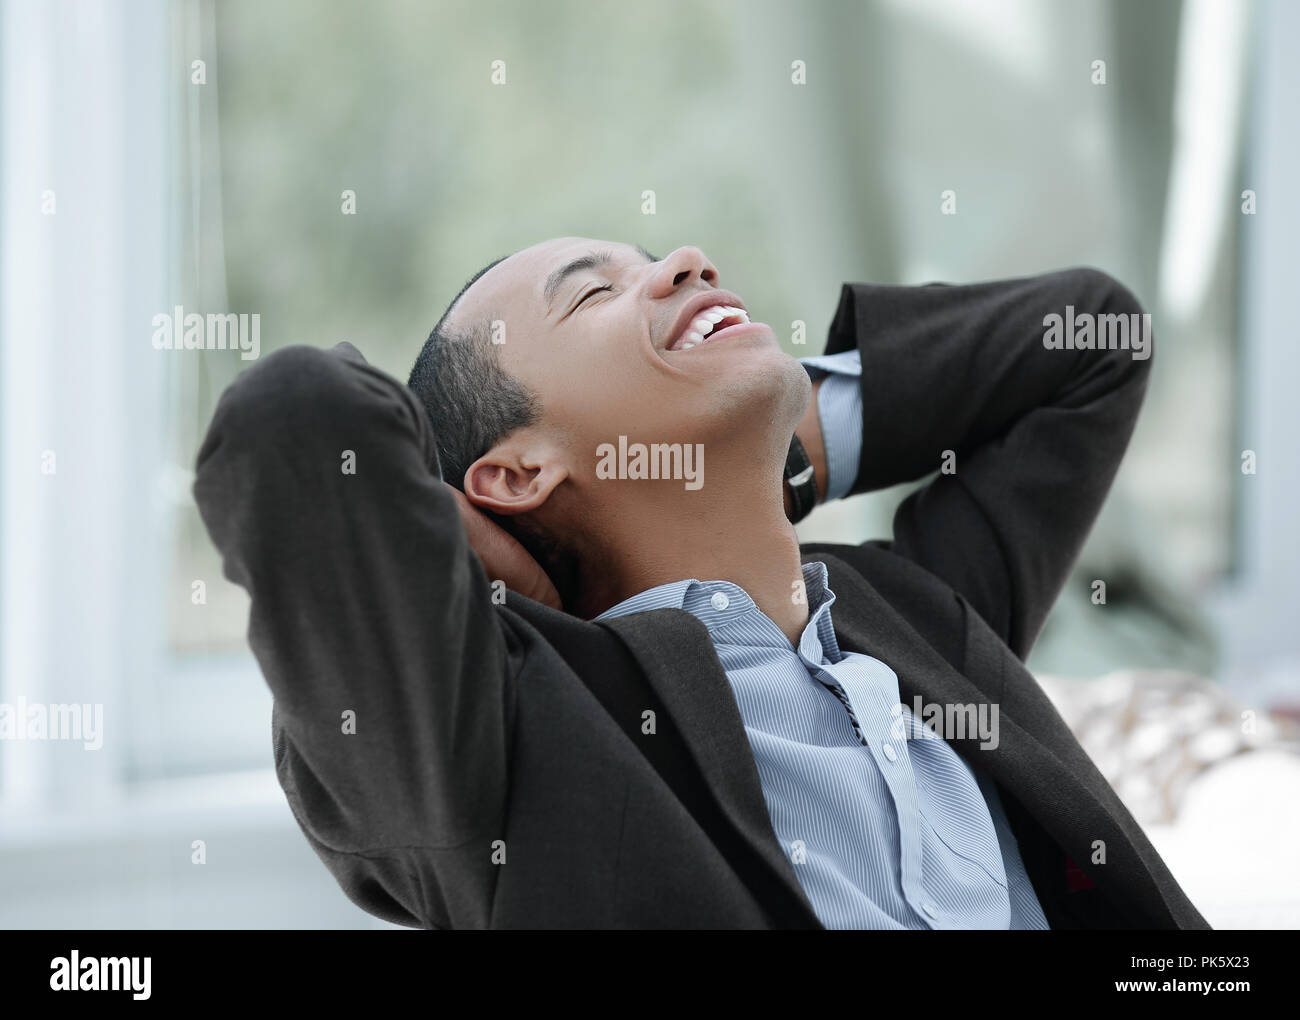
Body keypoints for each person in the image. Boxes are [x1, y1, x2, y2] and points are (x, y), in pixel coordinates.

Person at [193, 237, 1209, 929]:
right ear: (511, 474)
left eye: (663, 262)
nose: (687, 261)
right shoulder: (511, 743)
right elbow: (292, 421)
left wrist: (770, 454)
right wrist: (486, 561)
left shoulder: (917, 617)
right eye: (594, 293)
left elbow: (1088, 340)